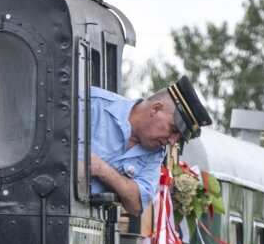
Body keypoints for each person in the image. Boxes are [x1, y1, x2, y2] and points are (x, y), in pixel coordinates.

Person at [85, 74, 213, 214]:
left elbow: (138, 204)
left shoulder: (156, 153)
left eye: (178, 139)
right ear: (156, 108)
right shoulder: (92, 104)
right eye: (173, 129)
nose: (171, 141)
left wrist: (101, 169)